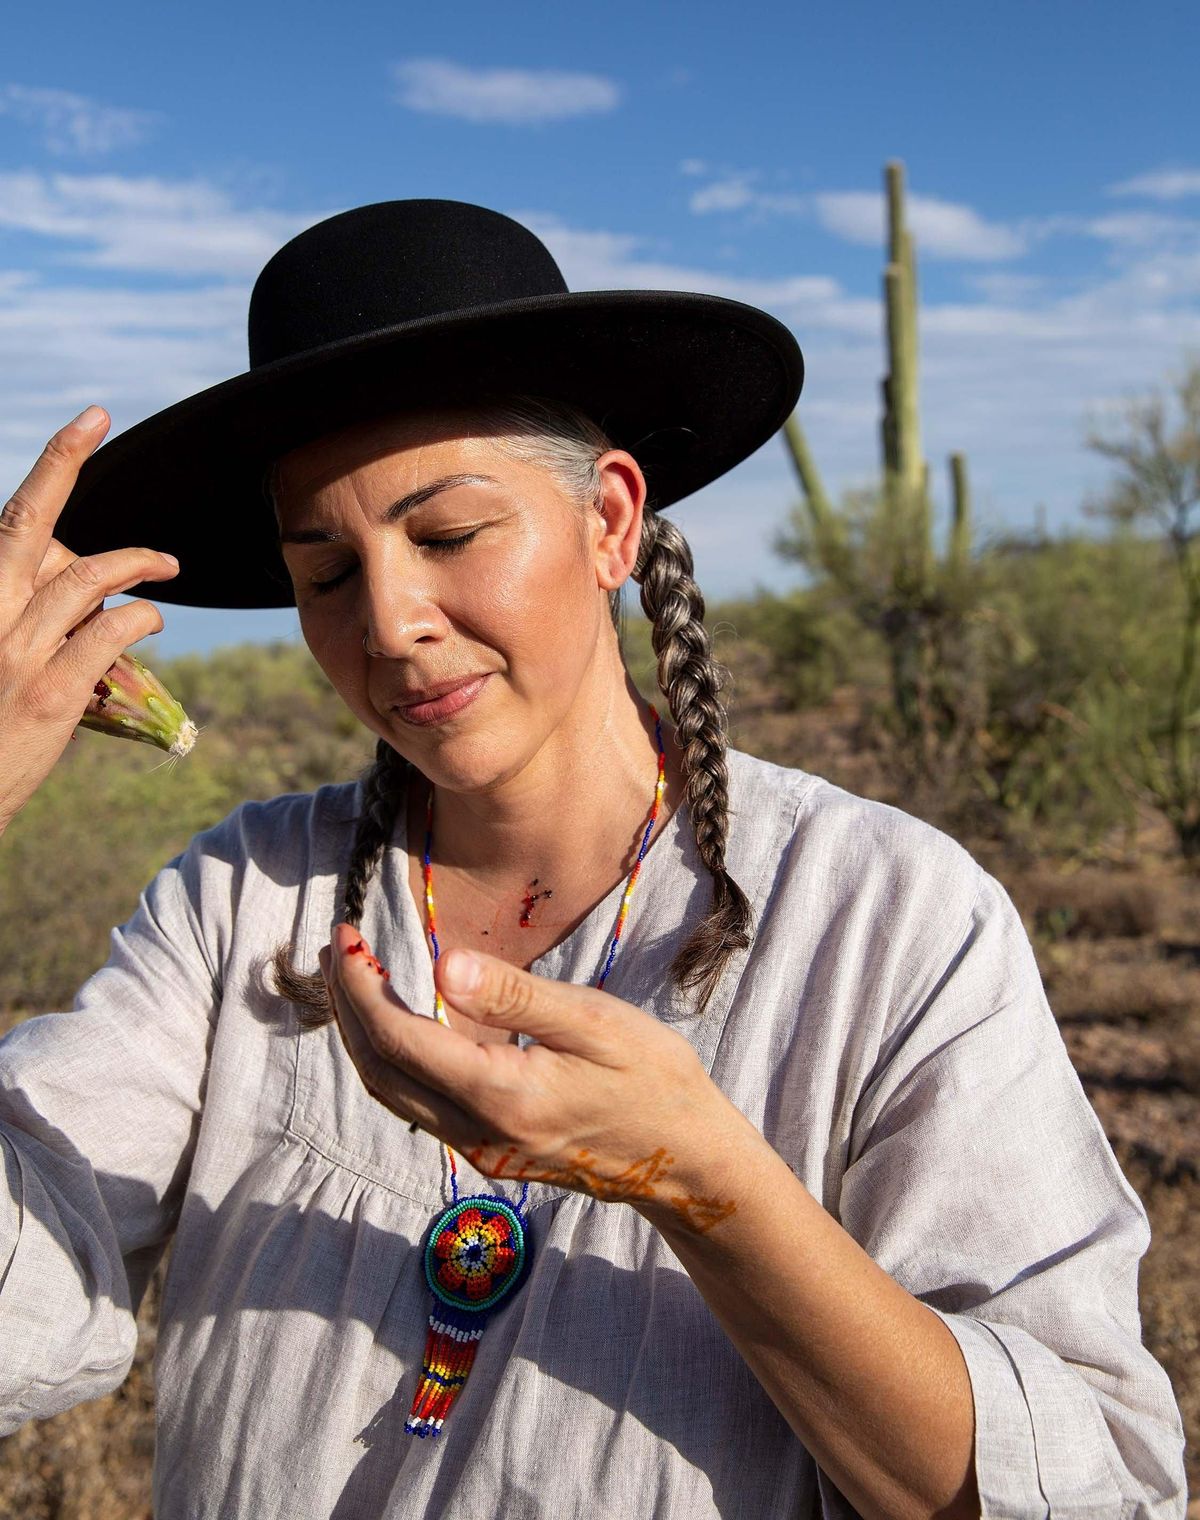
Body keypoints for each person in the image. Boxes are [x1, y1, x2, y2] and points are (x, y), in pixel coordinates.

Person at [0, 200, 1186, 1519]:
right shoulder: (241, 900)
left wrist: (699, 1181)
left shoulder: (887, 920)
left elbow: (1087, 1487)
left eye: (448, 535)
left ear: (611, 521)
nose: (389, 623)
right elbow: (24, 1307)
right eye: (325, 572)